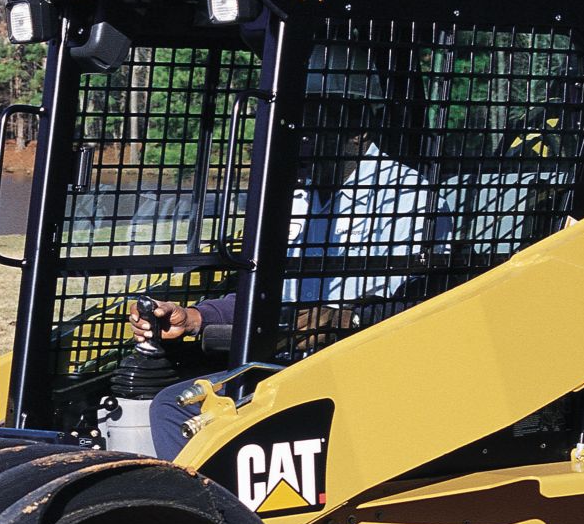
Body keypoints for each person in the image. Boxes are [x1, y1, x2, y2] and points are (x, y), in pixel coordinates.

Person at [128, 78, 427, 457]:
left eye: (311, 124)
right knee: (164, 391)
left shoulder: (404, 194)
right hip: (286, 356)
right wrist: (193, 317)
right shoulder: (297, 194)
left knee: (173, 408)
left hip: (361, 363)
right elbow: (268, 296)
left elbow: (416, 305)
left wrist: (344, 319)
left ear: (357, 130)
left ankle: (206, 512)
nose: (299, 138)